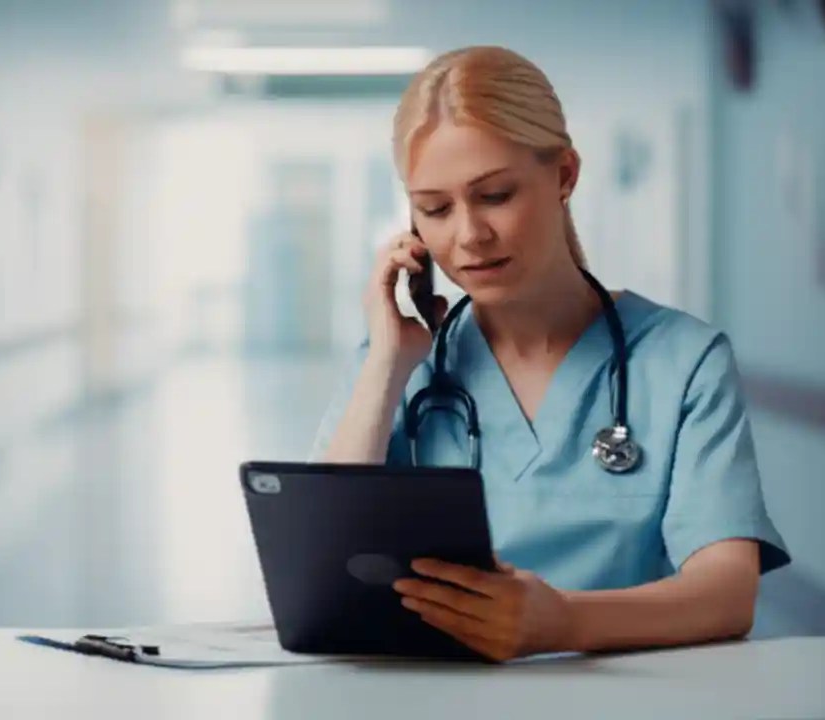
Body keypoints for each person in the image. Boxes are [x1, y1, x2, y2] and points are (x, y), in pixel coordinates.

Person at [309, 46, 789, 661]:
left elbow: (726, 593)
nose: (468, 235)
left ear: (564, 175)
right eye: (435, 208)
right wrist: (385, 368)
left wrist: (563, 623)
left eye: (496, 195)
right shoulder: (399, 365)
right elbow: (324, 575)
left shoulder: (682, 362)